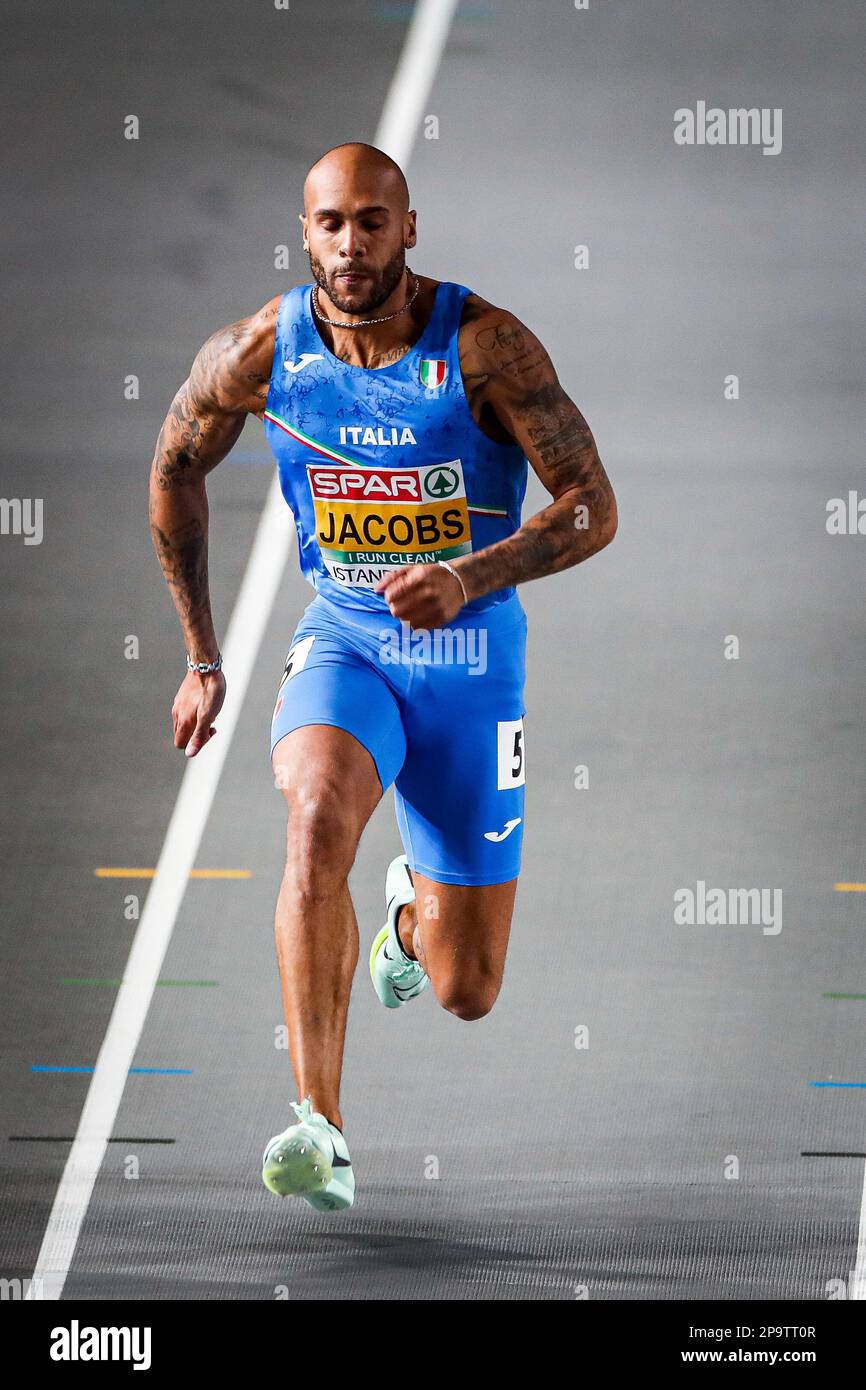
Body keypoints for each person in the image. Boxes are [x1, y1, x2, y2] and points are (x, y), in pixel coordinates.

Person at [149, 142, 617, 1213]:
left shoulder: (487, 348)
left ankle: (412, 917)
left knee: (466, 990)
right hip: (350, 643)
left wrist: (469, 572)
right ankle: (321, 1124)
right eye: (329, 224)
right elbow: (174, 468)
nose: (349, 244)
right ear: (304, 233)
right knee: (313, 817)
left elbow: (592, 502)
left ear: (409, 230)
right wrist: (201, 657)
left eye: (371, 221)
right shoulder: (260, 351)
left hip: (469, 659)